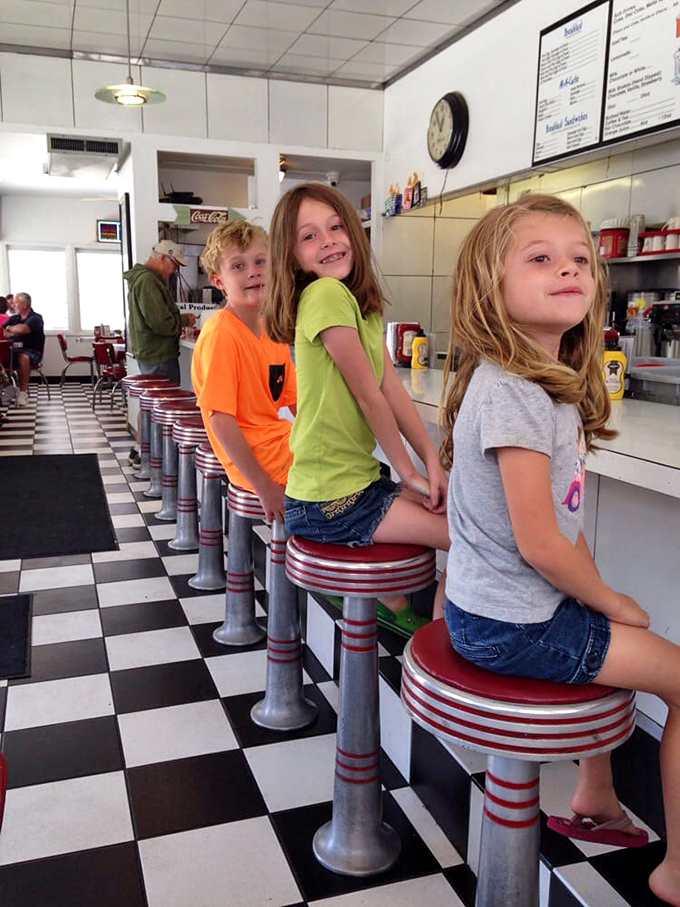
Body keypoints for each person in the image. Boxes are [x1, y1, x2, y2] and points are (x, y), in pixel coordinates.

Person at [440, 193, 680, 906]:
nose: (568, 268)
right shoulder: (516, 391)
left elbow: (561, 533)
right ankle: (676, 873)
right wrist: (609, 600)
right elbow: (542, 543)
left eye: (580, 257)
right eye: (540, 258)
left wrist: (605, 603)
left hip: (497, 611)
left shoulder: (543, 383)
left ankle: (596, 791)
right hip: (513, 626)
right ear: (493, 286)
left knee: (615, 634)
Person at [263, 183, 450, 635]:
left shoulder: (360, 305)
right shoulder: (324, 295)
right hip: (329, 501)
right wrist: (408, 473)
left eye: (335, 227)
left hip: (353, 486)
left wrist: (431, 459)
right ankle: (444, 655)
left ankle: (423, 624)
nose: (327, 240)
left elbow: (392, 389)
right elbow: (370, 396)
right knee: (473, 535)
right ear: (291, 256)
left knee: (464, 519)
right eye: (309, 236)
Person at [191, 220, 296, 522]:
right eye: (238, 266)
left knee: (351, 464)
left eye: (260, 261)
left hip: (279, 444)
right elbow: (221, 421)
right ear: (218, 281)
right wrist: (263, 486)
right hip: (256, 461)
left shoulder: (272, 330)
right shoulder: (221, 333)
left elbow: (296, 401)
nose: (253, 271)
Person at [125, 239, 196, 386]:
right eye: (174, 265)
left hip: (150, 354)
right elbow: (160, 323)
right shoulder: (148, 281)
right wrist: (185, 321)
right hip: (158, 356)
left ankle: (144, 411)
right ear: (162, 257)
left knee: (153, 401)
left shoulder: (143, 279)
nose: (175, 271)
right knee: (163, 400)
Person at [3, 292, 45, 407]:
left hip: (32, 352)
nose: (13, 306)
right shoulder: (14, 318)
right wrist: (9, 330)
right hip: (13, 351)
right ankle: (8, 386)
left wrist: (10, 329)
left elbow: (23, 329)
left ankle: (22, 394)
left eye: (16, 303)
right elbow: (2, 330)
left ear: (25, 305)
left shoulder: (36, 318)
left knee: (23, 357)